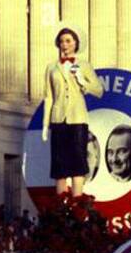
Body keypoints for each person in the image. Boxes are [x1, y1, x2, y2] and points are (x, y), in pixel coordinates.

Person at [41, 26, 105, 202]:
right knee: (59, 166)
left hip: (78, 118)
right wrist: (45, 124)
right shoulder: (51, 67)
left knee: (78, 164)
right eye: (61, 41)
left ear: (76, 43)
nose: (64, 44)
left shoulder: (84, 65)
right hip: (58, 118)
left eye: (68, 41)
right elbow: (48, 97)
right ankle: (62, 208)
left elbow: (99, 90)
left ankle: (77, 203)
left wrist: (82, 80)